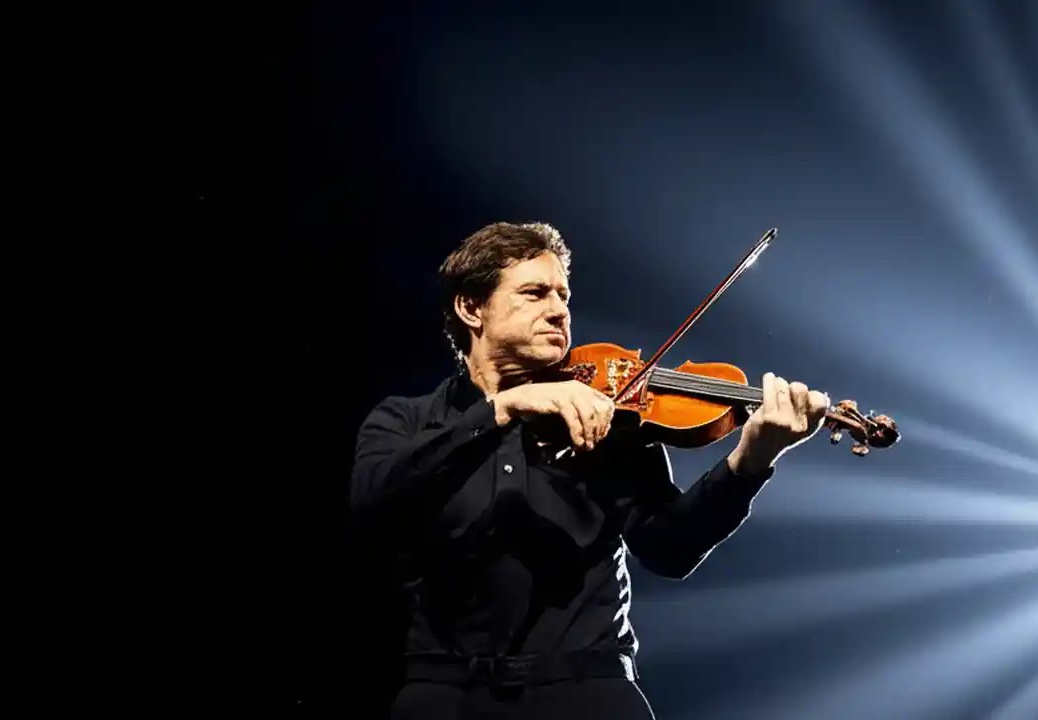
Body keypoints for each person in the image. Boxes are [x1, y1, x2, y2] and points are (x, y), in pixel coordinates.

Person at [350, 221, 829, 719]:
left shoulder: (610, 419)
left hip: (588, 693)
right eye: (535, 294)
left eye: (564, 295)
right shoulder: (406, 421)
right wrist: (503, 408)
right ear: (471, 308)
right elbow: (372, 507)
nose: (558, 310)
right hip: (444, 697)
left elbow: (670, 550)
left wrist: (750, 462)